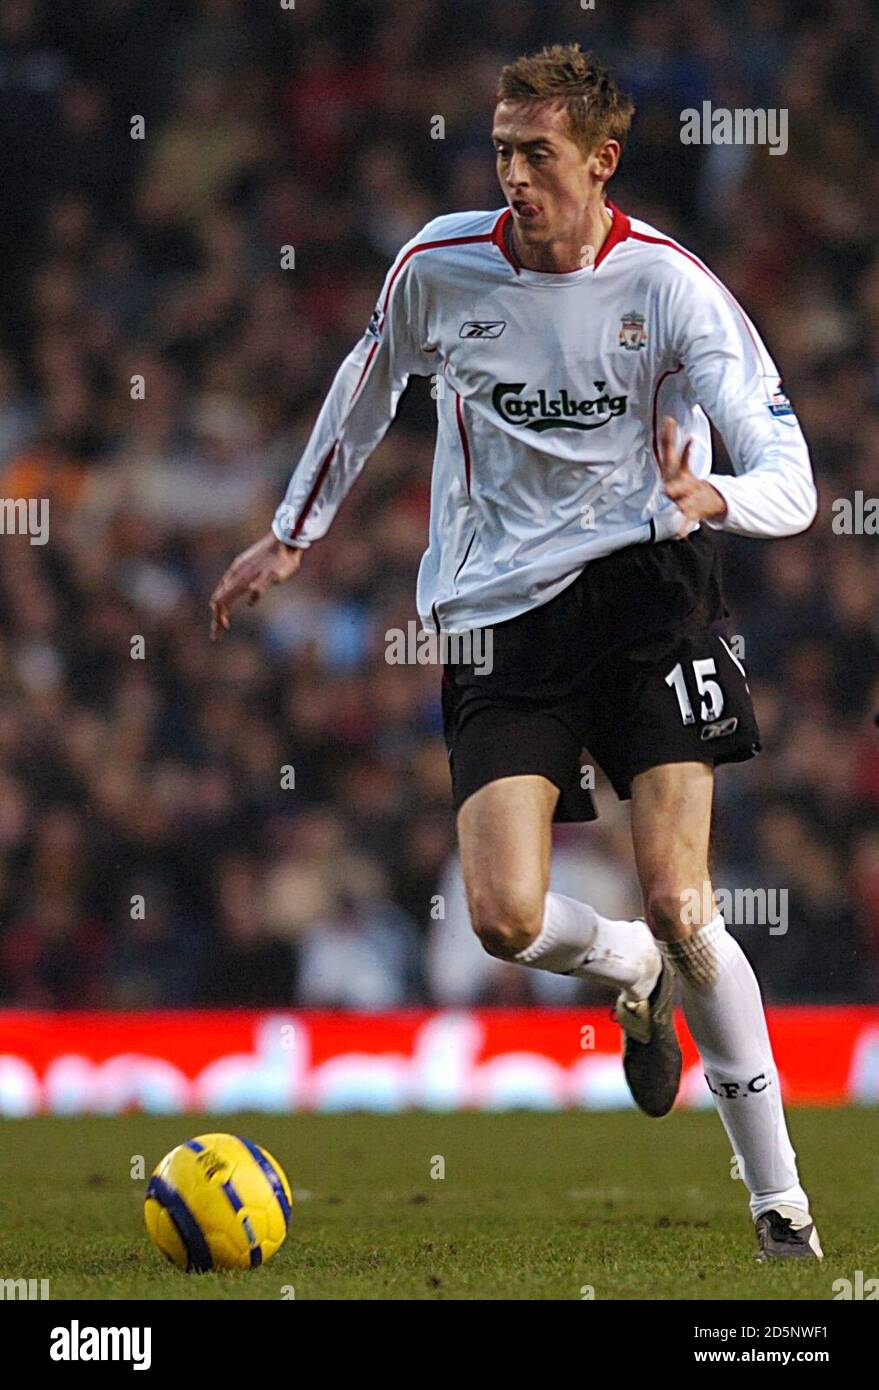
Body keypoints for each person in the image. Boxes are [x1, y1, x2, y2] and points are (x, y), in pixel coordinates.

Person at [210, 44, 820, 1261]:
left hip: (650, 592)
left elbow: (793, 482)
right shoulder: (439, 268)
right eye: (501, 152)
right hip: (500, 613)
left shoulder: (676, 291)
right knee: (500, 918)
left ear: (601, 162)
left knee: (685, 898)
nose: (514, 177)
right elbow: (366, 383)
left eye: (537, 155)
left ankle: (780, 1208)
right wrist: (291, 534)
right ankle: (628, 965)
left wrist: (713, 500)